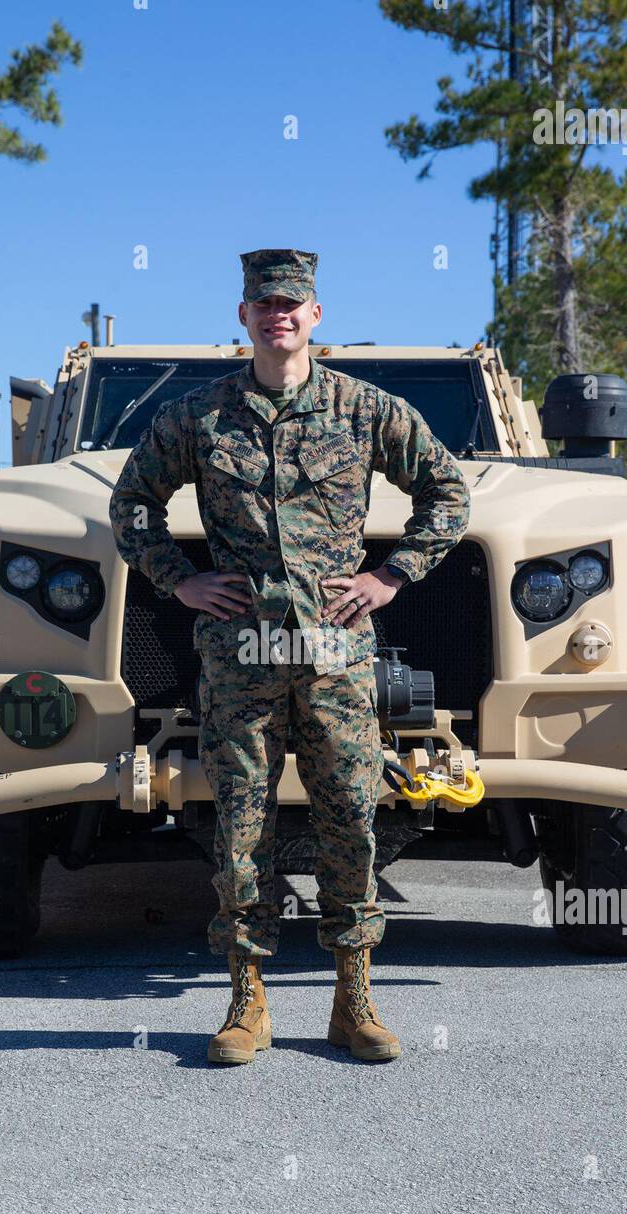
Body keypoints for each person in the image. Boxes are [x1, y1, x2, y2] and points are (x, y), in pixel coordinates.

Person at [110, 248, 470, 1065]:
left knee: (352, 818)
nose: (278, 314)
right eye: (264, 303)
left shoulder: (365, 411)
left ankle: (354, 999)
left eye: (292, 304)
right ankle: (247, 1001)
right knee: (241, 830)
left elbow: (448, 492)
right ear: (243, 318)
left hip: (336, 660)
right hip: (241, 661)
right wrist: (182, 580)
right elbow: (131, 503)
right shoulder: (197, 419)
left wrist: (390, 576)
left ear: (315, 316)